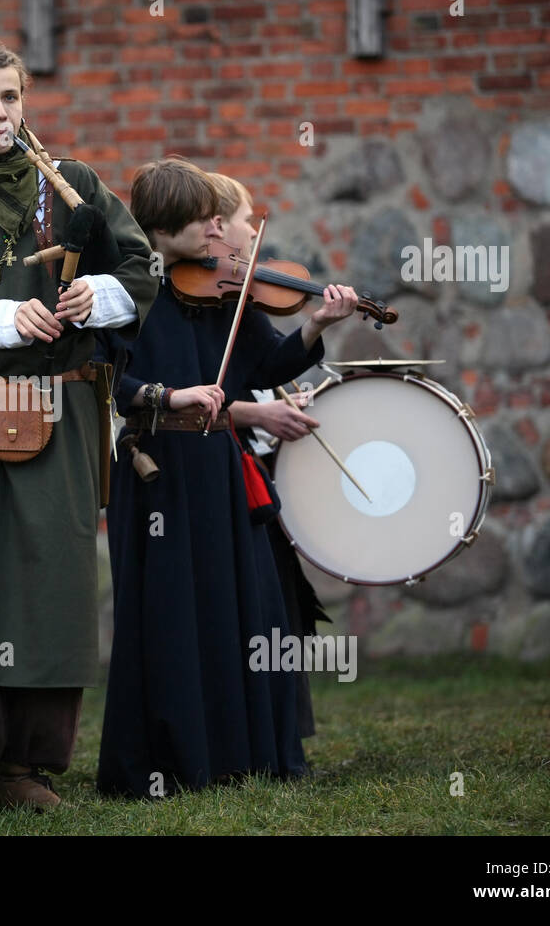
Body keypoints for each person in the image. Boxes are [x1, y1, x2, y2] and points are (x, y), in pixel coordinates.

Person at [0, 41, 158, 819]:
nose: (0, 113)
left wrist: (96, 297)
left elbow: (140, 267)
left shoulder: (72, 185)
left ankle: (27, 768)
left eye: (10, 97)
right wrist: (6, 316)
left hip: (66, 407)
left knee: (54, 584)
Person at [95, 158, 358, 797]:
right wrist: (168, 395)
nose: (219, 236)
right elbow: (106, 382)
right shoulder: (121, 292)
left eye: (221, 222)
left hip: (217, 466)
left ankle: (246, 753)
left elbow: (269, 361)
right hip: (155, 470)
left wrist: (316, 326)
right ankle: (176, 760)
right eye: (205, 224)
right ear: (164, 229)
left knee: (244, 605)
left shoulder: (220, 292)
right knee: (169, 615)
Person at [208, 173, 330, 739]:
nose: (251, 232)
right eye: (243, 219)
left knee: (278, 596)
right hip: (207, 475)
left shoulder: (238, 297)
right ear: (211, 227)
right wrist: (260, 414)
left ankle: (274, 729)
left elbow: (269, 367)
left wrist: (318, 322)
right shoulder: (169, 301)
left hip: (246, 468)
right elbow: (172, 402)